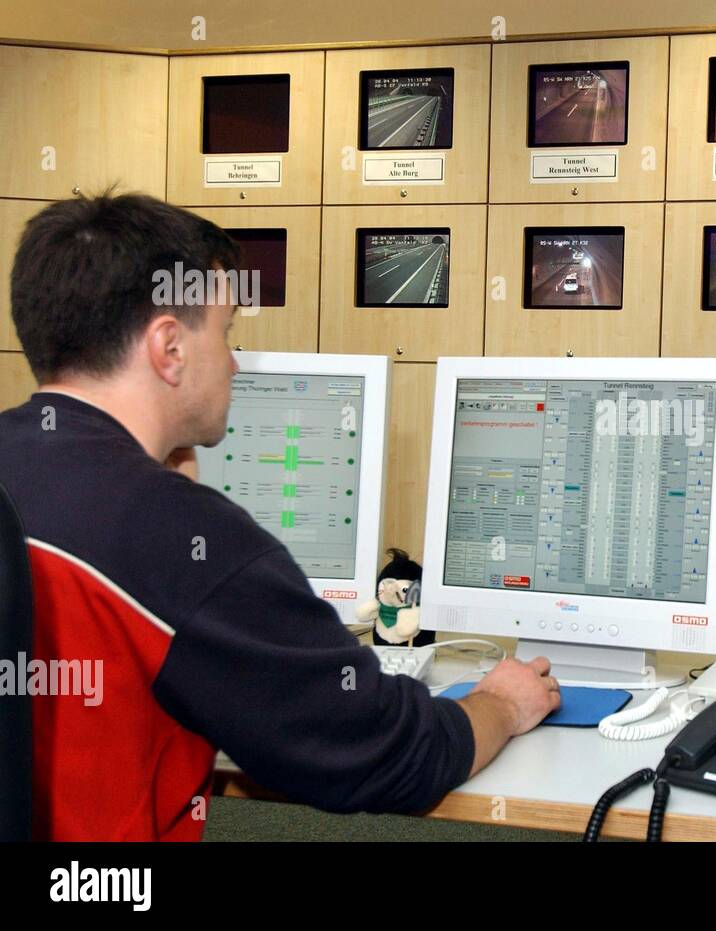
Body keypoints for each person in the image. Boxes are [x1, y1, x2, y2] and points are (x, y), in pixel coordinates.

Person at [0, 192, 559, 840]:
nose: (234, 361)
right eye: (227, 332)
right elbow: (387, 750)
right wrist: (501, 702)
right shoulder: (180, 537)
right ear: (170, 348)